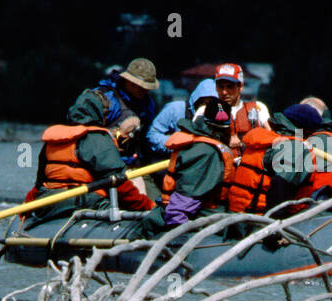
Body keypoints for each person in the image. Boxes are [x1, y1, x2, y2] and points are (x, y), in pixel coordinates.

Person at [23, 89, 155, 225]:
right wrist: (149, 206)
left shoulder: (52, 141)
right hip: (83, 203)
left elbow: (39, 186)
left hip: (48, 204)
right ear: (99, 113)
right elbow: (121, 186)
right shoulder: (97, 139)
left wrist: (24, 211)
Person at [129, 101, 235, 236]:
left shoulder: (201, 144)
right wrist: (178, 238)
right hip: (191, 221)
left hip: (199, 217)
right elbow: (180, 208)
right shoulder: (206, 153)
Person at [90, 57, 160, 166]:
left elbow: (146, 138)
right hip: (99, 162)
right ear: (129, 82)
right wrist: (118, 133)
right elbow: (85, 136)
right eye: (141, 87)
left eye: (147, 88)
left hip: (132, 163)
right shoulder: (103, 98)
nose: (145, 91)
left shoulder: (148, 103)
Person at [146, 79, 220, 159]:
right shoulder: (175, 109)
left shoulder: (218, 119)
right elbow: (152, 134)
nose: (206, 107)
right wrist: (175, 144)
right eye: (204, 102)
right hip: (168, 162)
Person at [213, 62, 269, 147]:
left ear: (241, 87)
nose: (224, 92)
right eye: (221, 87)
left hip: (251, 158)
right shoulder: (206, 111)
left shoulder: (258, 108)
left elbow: (271, 136)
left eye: (230, 87)